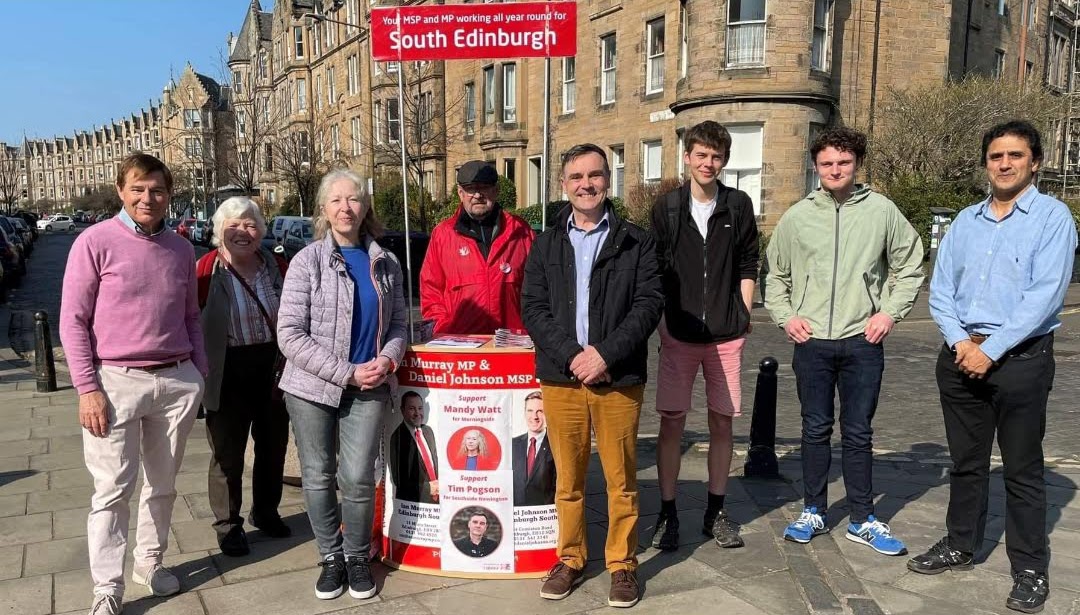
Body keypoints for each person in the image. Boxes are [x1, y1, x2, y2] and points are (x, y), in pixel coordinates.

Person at [908, 120, 1076, 614]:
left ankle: (1029, 567)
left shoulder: (1053, 218)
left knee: (1023, 470)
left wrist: (992, 348)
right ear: (986, 163)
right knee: (966, 462)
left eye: (1015, 156)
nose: (1004, 164)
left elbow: (1044, 297)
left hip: (1020, 360)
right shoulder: (965, 221)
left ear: (1035, 162)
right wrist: (962, 342)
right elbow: (939, 290)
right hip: (961, 357)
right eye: (996, 156)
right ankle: (961, 543)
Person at [765, 126, 924, 556]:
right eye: (827, 163)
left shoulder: (882, 211)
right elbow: (775, 276)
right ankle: (814, 509)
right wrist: (786, 317)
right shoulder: (798, 217)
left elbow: (910, 264)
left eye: (844, 162)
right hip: (812, 342)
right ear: (815, 167)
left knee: (858, 432)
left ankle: (861, 519)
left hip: (862, 341)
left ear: (857, 164)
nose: (835, 170)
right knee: (814, 429)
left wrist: (889, 312)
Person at [60, 153, 207, 615]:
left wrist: (198, 373)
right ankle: (107, 585)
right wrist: (87, 389)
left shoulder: (182, 249)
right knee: (112, 490)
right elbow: (73, 321)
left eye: (158, 190)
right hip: (115, 382)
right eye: (139, 189)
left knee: (162, 485)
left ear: (169, 195)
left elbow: (190, 315)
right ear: (121, 191)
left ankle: (150, 562)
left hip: (176, 380)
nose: (149, 198)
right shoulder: (94, 241)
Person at [522, 143, 663, 608]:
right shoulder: (545, 243)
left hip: (617, 377)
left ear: (608, 180)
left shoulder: (635, 240)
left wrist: (603, 354)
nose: (587, 184)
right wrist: (572, 356)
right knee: (569, 479)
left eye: (596, 175)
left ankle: (622, 565)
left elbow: (647, 307)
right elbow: (534, 309)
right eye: (577, 177)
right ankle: (571, 558)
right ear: (563, 184)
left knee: (621, 477)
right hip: (562, 379)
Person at [277, 168, 408, 602]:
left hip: (369, 385)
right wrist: (346, 371)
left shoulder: (385, 262)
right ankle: (330, 558)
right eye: (336, 200)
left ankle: (356, 556)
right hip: (313, 388)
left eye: (353, 199)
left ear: (365, 206)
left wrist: (388, 358)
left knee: (357, 477)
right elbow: (290, 334)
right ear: (324, 209)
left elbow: (400, 324)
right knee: (318, 477)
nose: (345, 208)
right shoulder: (307, 260)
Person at [648, 121, 759, 551]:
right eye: (700, 154)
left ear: (724, 160)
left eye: (715, 156)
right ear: (687, 157)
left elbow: (749, 260)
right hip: (679, 334)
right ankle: (668, 511)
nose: (707, 162)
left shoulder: (738, 205)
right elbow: (654, 270)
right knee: (672, 422)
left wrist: (745, 312)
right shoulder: (668, 207)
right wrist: (662, 323)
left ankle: (716, 510)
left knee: (721, 422)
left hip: (726, 335)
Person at [196, 197, 292, 557]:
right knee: (227, 454)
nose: (242, 232)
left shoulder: (276, 266)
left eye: (251, 225)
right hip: (226, 369)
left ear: (261, 232)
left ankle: (266, 512)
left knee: (273, 448)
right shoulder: (205, 270)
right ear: (219, 231)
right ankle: (228, 525)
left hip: (273, 366)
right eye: (233, 225)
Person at [420, 160, 535, 334]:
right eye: (471, 189)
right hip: (461, 348)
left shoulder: (521, 232)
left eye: (484, 187)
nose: (478, 195)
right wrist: (444, 329)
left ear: (496, 191)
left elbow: (538, 289)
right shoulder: (443, 235)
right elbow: (431, 290)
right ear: (460, 193)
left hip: (512, 347)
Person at [388, 391, 439, 504]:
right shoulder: (398, 437)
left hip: (436, 502)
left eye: (420, 408)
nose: (417, 413)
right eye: (412, 408)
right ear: (402, 410)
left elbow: (435, 463)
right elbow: (399, 481)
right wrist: (430, 488)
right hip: (413, 505)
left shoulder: (428, 431)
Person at [513, 391, 556, 507]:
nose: (534, 417)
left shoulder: (556, 445)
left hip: (544, 515)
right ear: (524, 413)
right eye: (530, 411)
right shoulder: (513, 445)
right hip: (518, 516)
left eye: (540, 411)